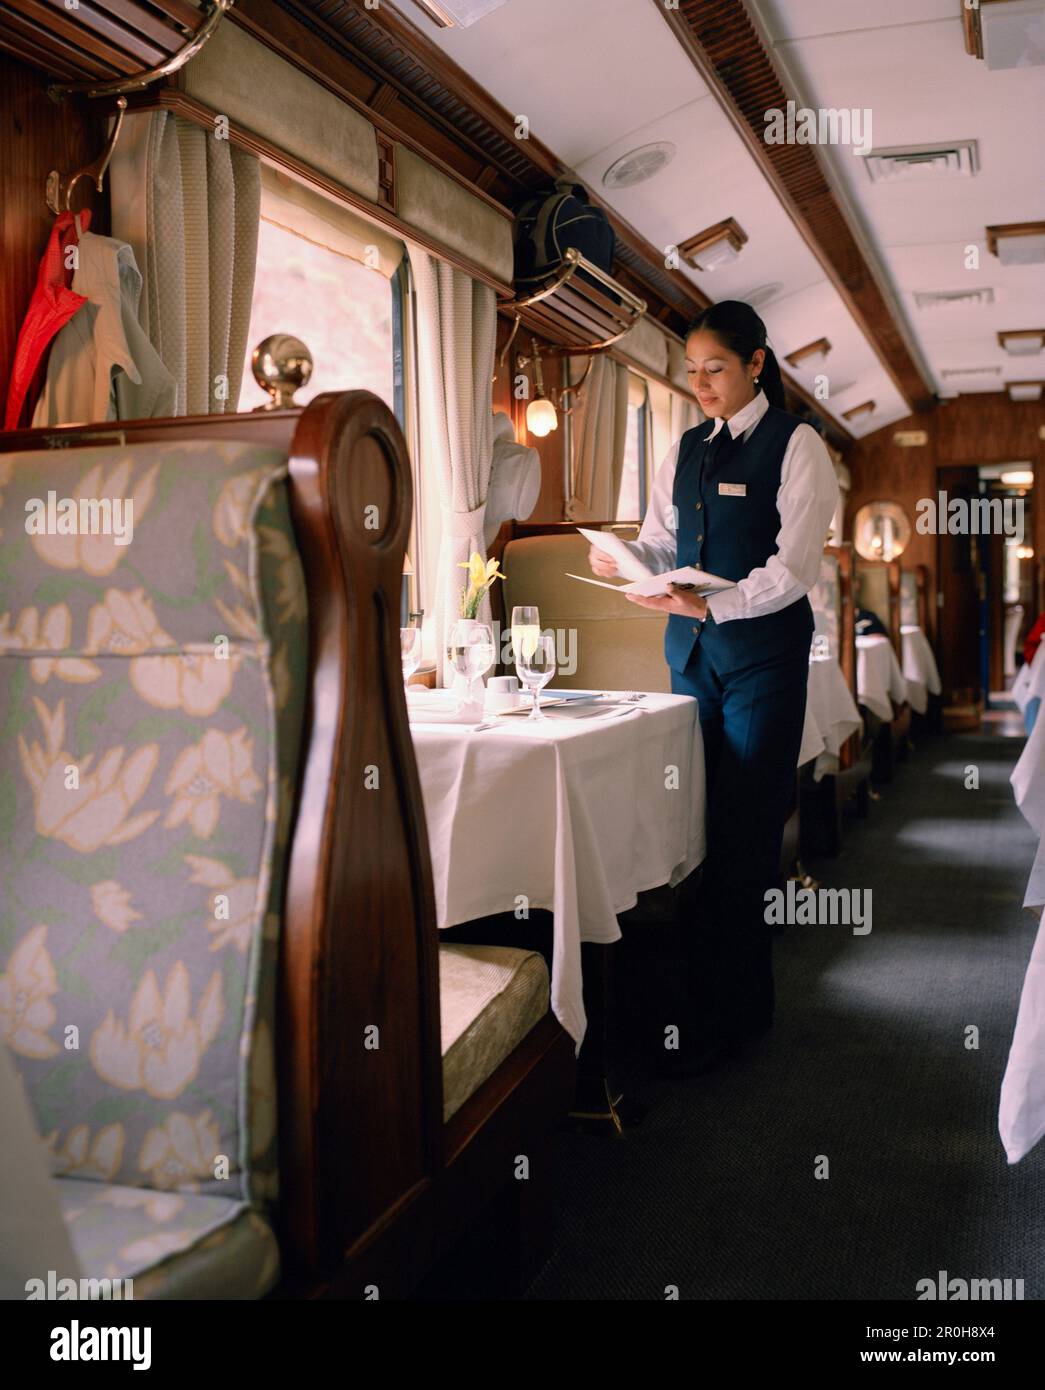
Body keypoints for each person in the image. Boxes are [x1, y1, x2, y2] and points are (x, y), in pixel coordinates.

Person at [589, 300, 839, 1074]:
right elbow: (664, 534)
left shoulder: (798, 446)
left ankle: (738, 1012)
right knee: (689, 823)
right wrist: (629, 559)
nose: (699, 384)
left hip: (761, 657)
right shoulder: (685, 446)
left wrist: (714, 602)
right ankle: (690, 1003)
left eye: (715, 369)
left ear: (755, 363)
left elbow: (792, 569)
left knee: (745, 829)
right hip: (689, 656)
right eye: (690, 371)